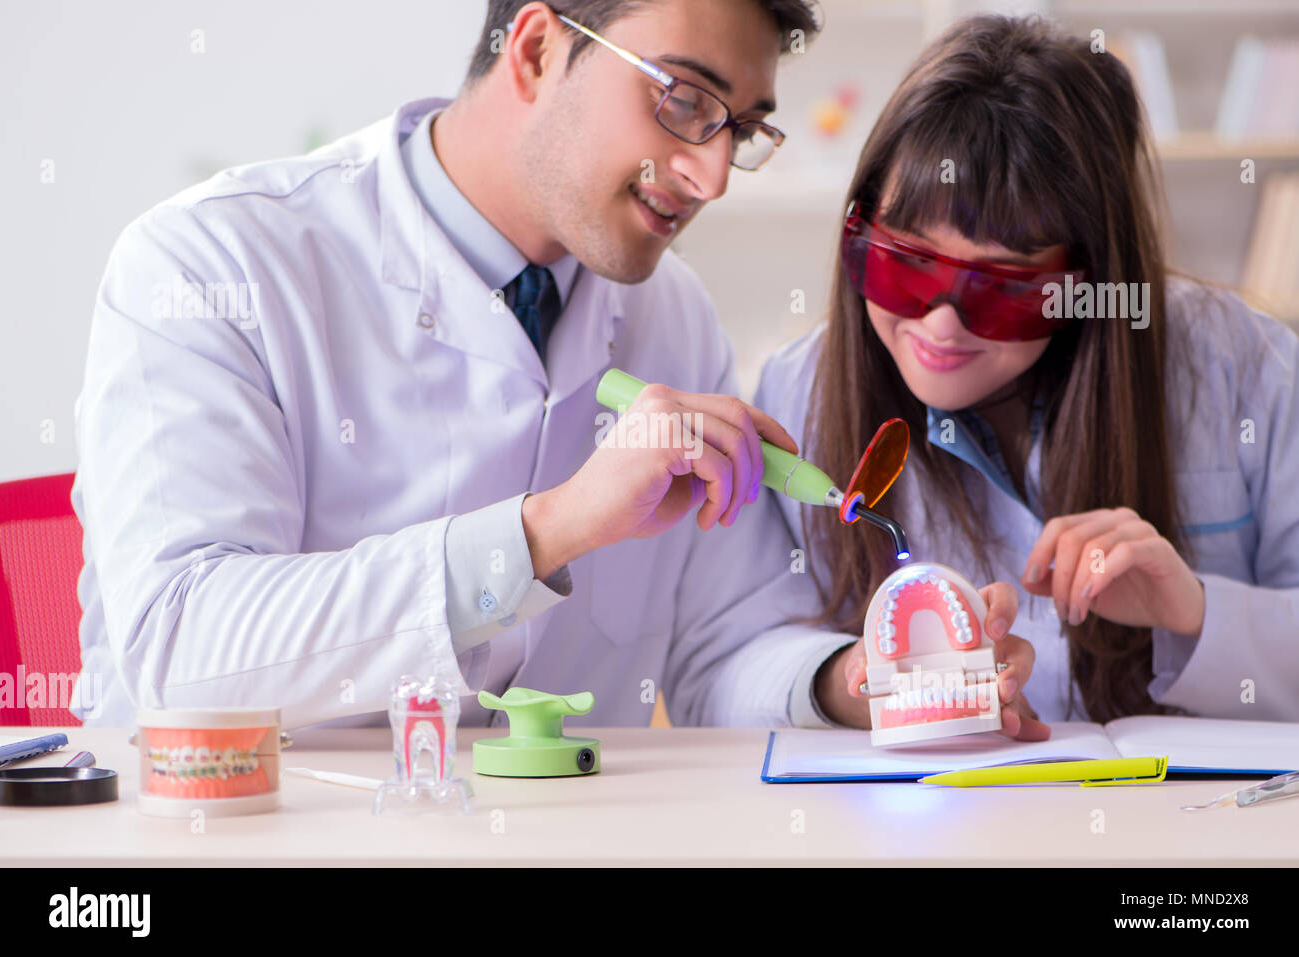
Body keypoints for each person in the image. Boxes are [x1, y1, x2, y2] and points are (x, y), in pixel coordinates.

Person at [70, 0, 869, 730]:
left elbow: (717, 657)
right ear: (534, 50)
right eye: (686, 101)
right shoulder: (211, 265)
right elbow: (181, 650)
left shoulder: (674, 317)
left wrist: (852, 679)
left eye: (742, 129)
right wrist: (549, 529)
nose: (713, 174)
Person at [755, 14, 1299, 731]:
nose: (942, 325)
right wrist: (848, 685)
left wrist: (1194, 612)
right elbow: (721, 663)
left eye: (1003, 287)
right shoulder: (798, 390)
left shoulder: (1241, 361)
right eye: (905, 265)